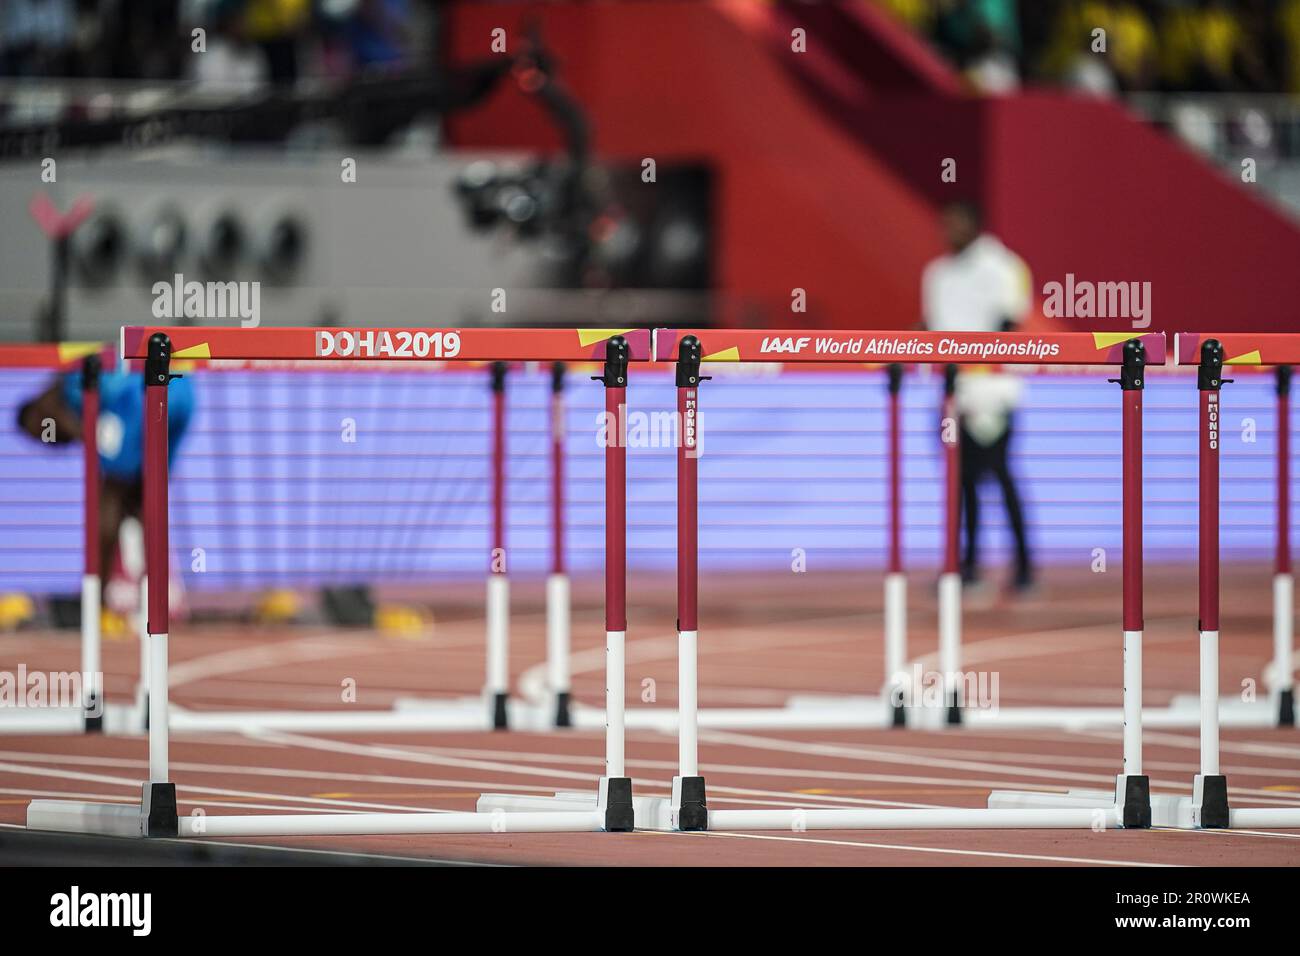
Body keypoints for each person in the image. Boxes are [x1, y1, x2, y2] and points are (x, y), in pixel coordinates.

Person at [17, 362, 196, 620]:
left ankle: (95, 601)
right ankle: (155, 595)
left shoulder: (51, 404)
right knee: (146, 495)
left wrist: (87, 439)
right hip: (181, 390)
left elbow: (89, 437)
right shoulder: (73, 386)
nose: (50, 443)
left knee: (111, 494)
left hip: (145, 394)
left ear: (35, 417)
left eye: (43, 435)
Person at [921, 200, 1035, 593]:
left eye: (956, 221)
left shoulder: (1004, 266)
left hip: (992, 395)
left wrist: (975, 381)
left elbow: (1007, 328)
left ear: (975, 224)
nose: (948, 229)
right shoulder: (936, 274)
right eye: (945, 222)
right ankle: (966, 569)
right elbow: (932, 329)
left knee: (1000, 476)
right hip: (951, 394)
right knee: (960, 481)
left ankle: (1024, 571)